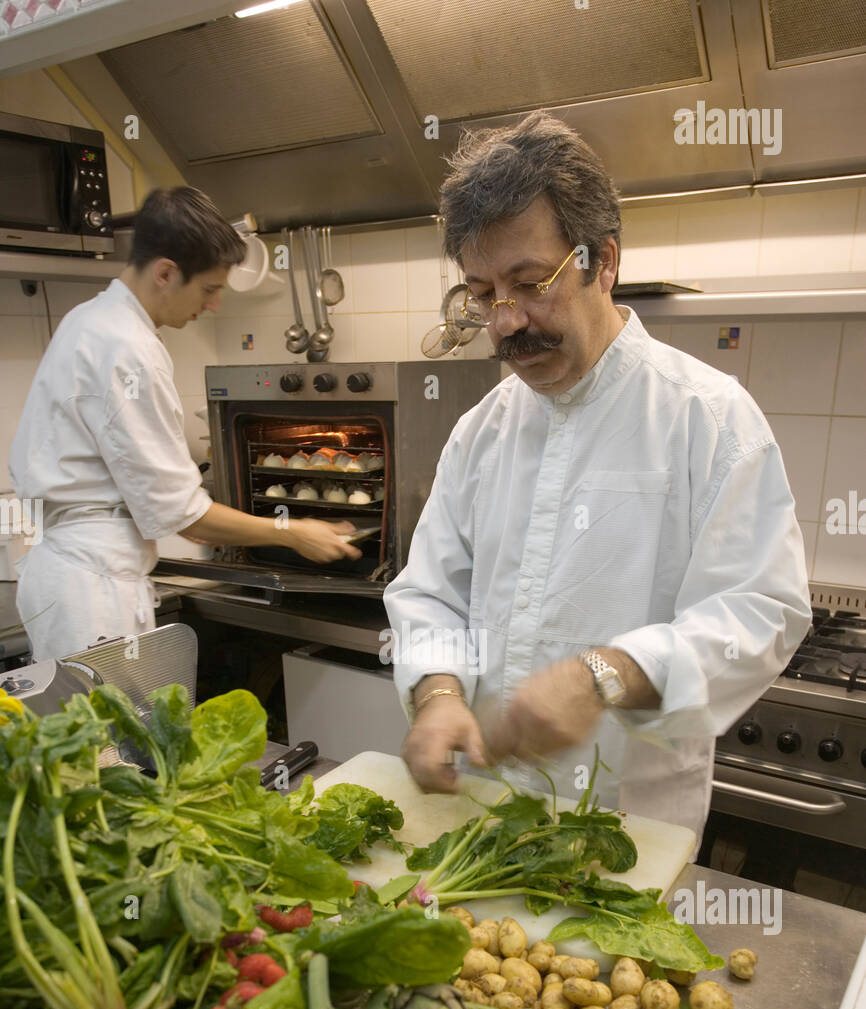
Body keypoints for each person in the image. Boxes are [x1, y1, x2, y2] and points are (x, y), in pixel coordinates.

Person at [383, 113, 812, 843]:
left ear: (602, 262)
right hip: (480, 814)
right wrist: (438, 692)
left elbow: (760, 611)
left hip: (626, 831)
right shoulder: (481, 431)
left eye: (529, 283)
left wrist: (606, 674)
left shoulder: (705, 417)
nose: (507, 322)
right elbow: (429, 592)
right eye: (483, 293)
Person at [11, 186, 358, 661]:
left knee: (102, 734)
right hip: (92, 591)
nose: (214, 304)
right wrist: (294, 532)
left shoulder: (88, 319)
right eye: (210, 289)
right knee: (112, 736)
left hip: (70, 576)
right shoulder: (127, 348)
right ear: (166, 273)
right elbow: (184, 517)